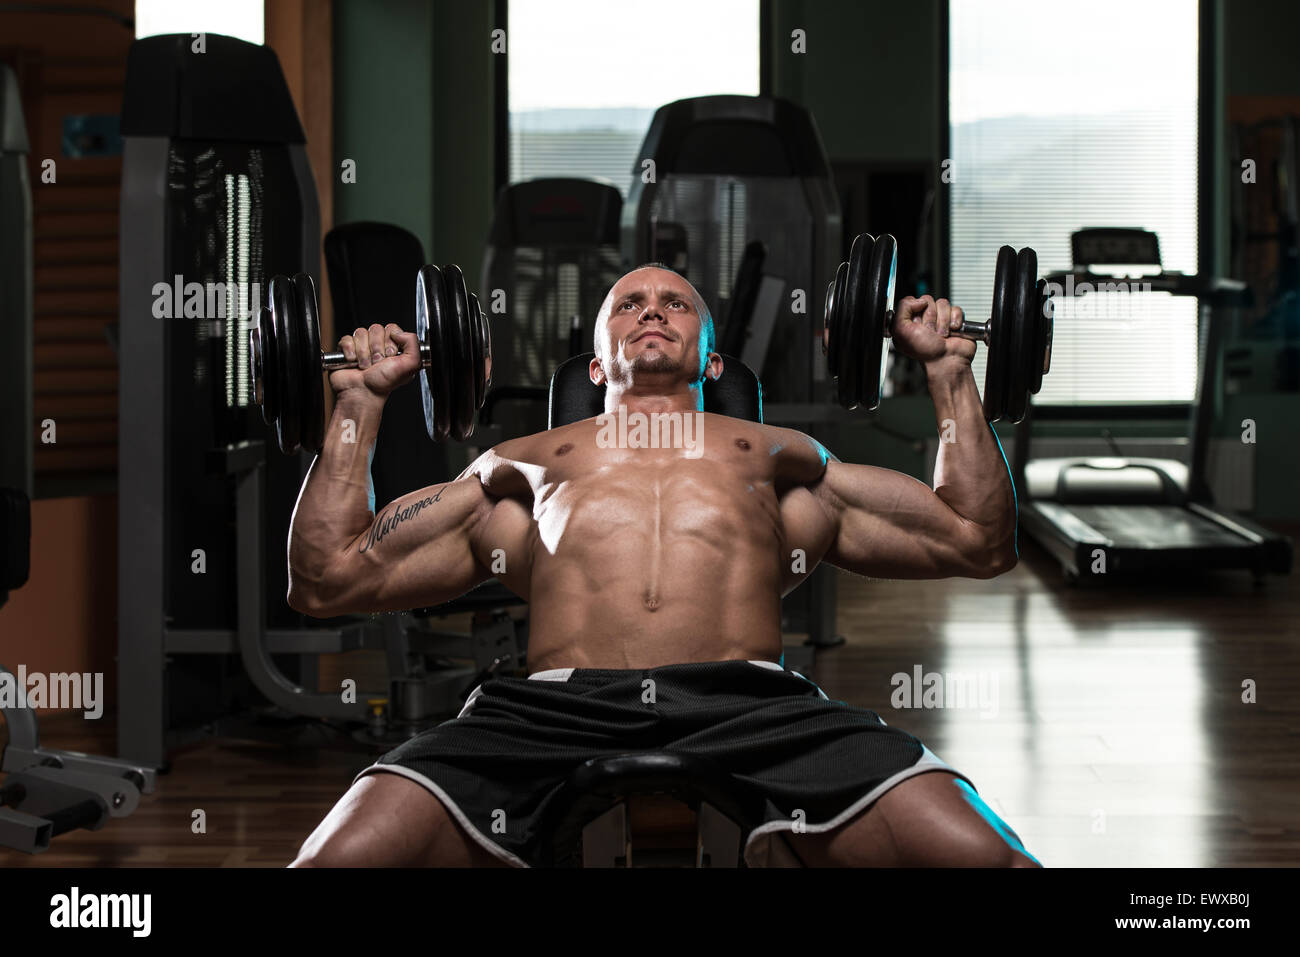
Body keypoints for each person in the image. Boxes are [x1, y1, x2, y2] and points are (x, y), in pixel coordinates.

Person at [286, 264, 1040, 867]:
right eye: (629, 304)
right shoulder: (522, 465)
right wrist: (358, 405)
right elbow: (327, 578)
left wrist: (947, 374)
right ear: (595, 359)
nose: (652, 310)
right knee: (337, 857)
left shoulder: (778, 455)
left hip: (755, 708)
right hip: (550, 712)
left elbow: (975, 537)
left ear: (712, 355)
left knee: (985, 853)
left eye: (676, 303)